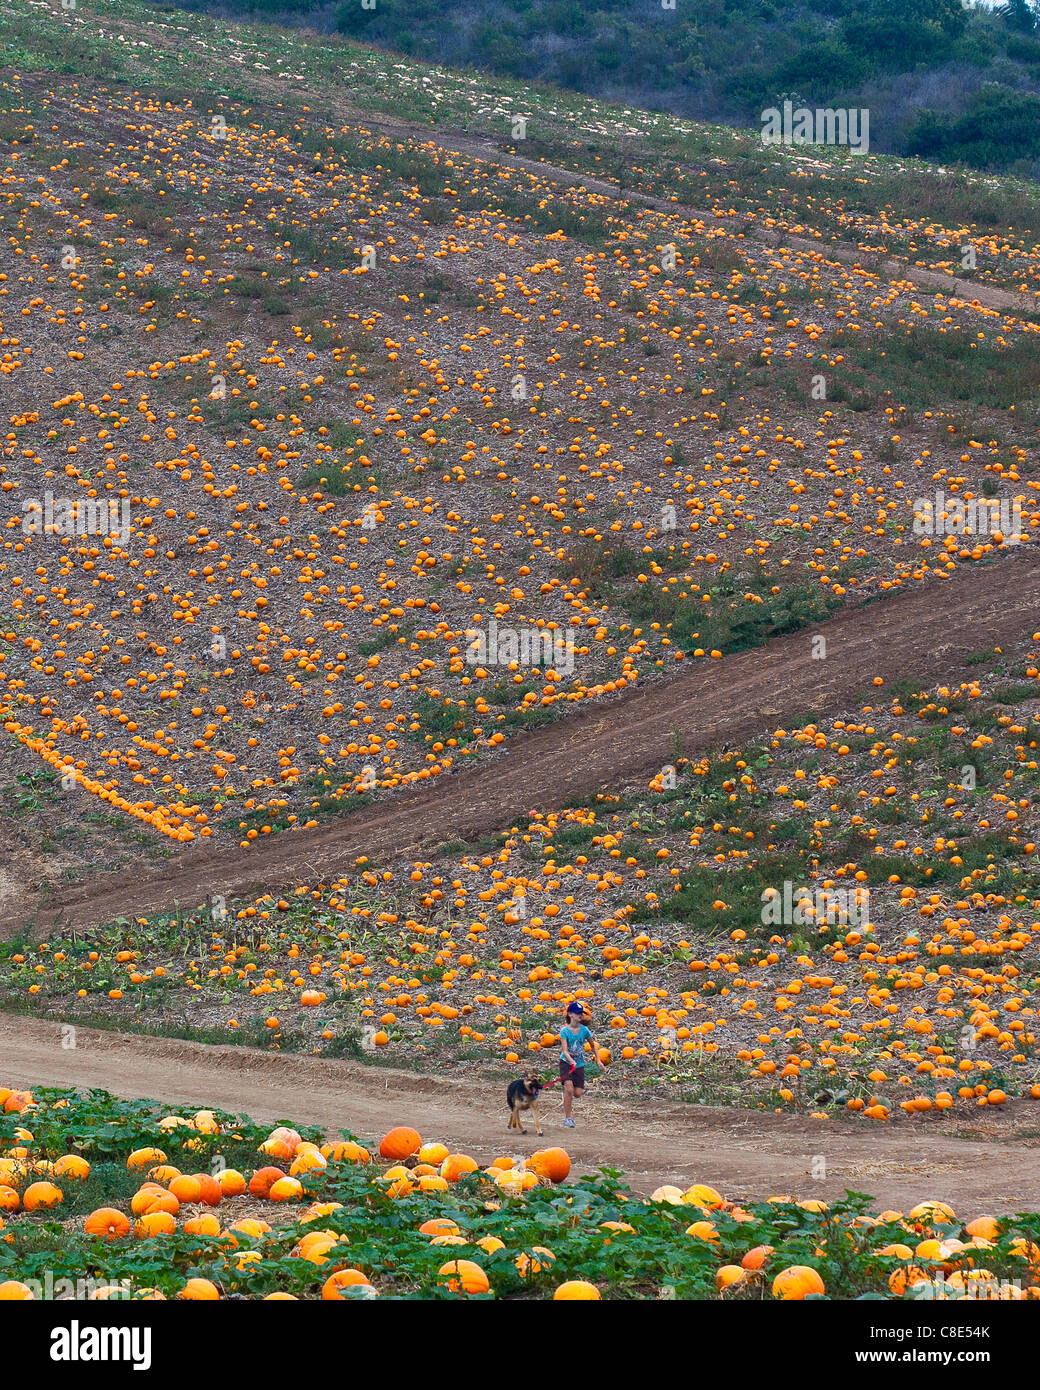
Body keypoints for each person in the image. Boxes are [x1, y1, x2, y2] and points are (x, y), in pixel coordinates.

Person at [559, 1002, 599, 1129]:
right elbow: (565, 1051)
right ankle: (568, 1118)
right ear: (570, 1014)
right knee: (569, 1088)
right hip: (566, 1063)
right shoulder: (564, 1031)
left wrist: (598, 1060)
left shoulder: (584, 1030)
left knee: (577, 1093)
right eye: (577, 1013)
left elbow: (593, 1045)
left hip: (579, 1065)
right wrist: (571, 1061)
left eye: (581, 1013)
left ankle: (569, 1096)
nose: (580, 1016)